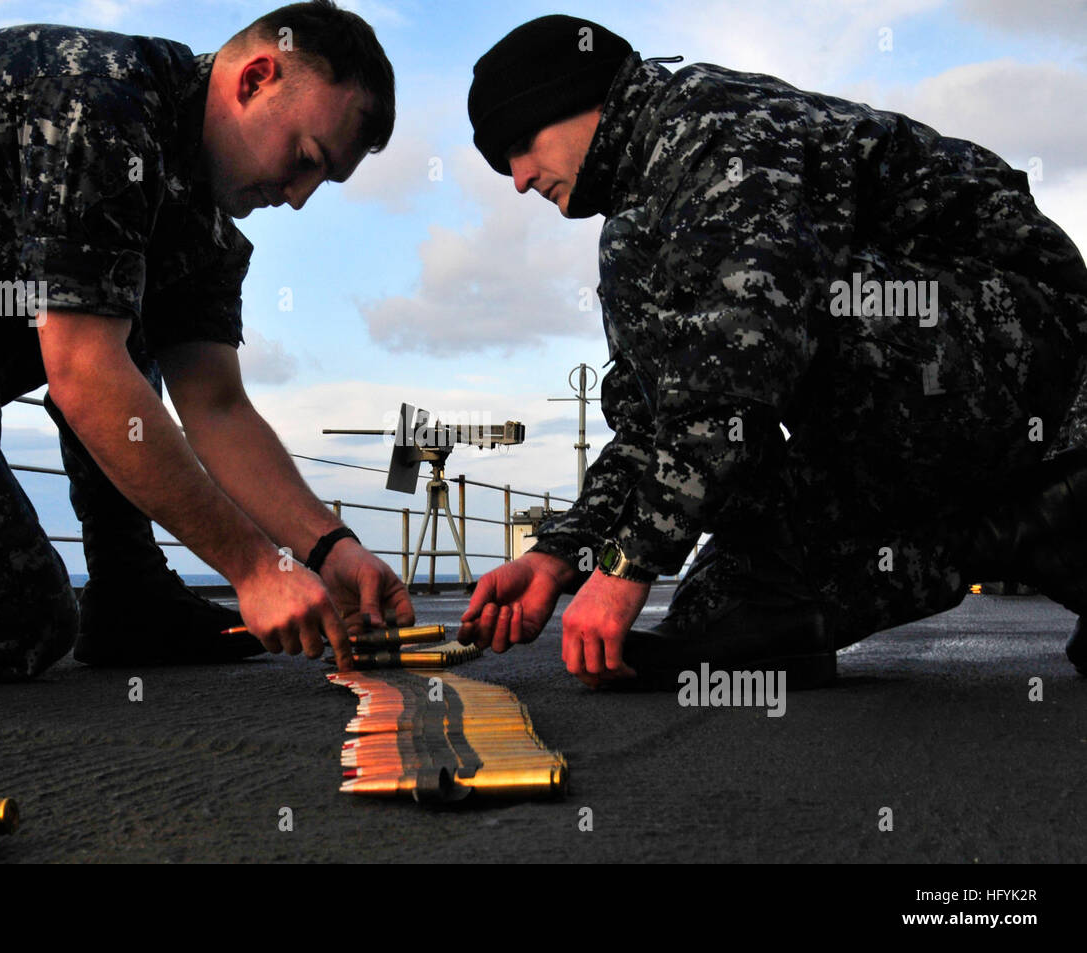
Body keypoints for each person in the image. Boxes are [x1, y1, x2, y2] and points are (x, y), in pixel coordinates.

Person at [0, 0, 414, 681]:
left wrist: (330, 549)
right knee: (9, 623)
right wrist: (256, 568)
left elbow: (218, 407)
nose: (300, 196)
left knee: (117, 298)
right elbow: (83, 375)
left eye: (324, 179)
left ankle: (131, 594)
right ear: (255, 78)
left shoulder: (206, 229)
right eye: (304, 158)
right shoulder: (100, 100)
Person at [458, 14, 1087, 689]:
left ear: (583, 98)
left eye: (522, 145)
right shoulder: (635, 224)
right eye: (502, 166)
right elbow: (657, 418)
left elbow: (737, 365)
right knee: (736, 606)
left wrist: (629, 565)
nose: (519, 179)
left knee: (779, 335)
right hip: (952, 389)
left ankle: (1048, 499)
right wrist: (562, 553)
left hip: (1030, 347)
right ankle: (1042, 531)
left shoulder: (712, 132)